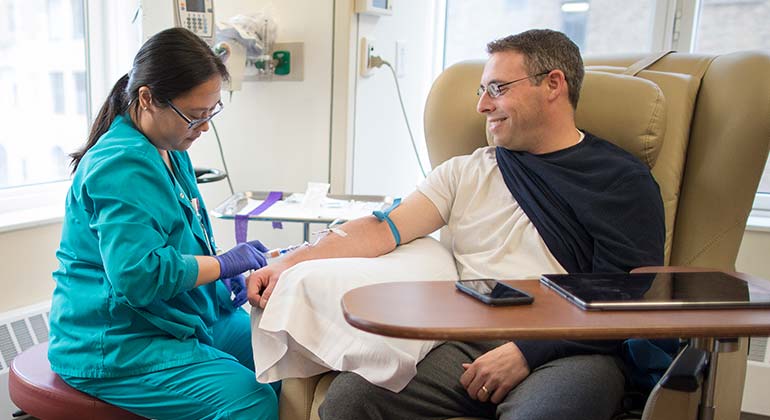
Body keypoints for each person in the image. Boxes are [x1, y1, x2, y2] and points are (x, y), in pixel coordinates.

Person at [247, 29, 666, 420]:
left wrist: (526, 352)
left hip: (571, 349)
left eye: (498, 89)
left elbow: (625, 298)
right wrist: (291, 260)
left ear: (553, 84)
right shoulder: (464, 172)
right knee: (349, 402)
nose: (482, 105)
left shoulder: (619, 180)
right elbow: (380, 229)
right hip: (465, 341)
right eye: (482, 90)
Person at [48, 27, 278, 420]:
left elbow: (178, 239)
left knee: (283, 361)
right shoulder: (120, 164)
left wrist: (221, 277)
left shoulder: (169, 147)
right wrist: (224, 265)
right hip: (119, 339)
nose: (203, 127)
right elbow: (138, 277)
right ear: (147, 99)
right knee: (251, 401)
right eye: (194, 115)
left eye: (211, 113)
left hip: (179, 315)